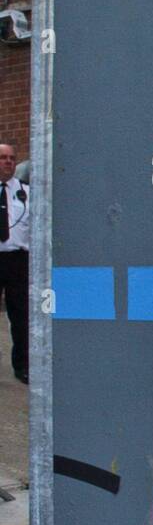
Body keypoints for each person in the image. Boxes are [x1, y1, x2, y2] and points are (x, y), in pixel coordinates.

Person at [0, 144, 30, 384]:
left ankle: (22, 366)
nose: (8, 162)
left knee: (20, 316)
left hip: (18, 260)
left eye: (11, 158)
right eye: (3, 158)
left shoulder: (25, 192)